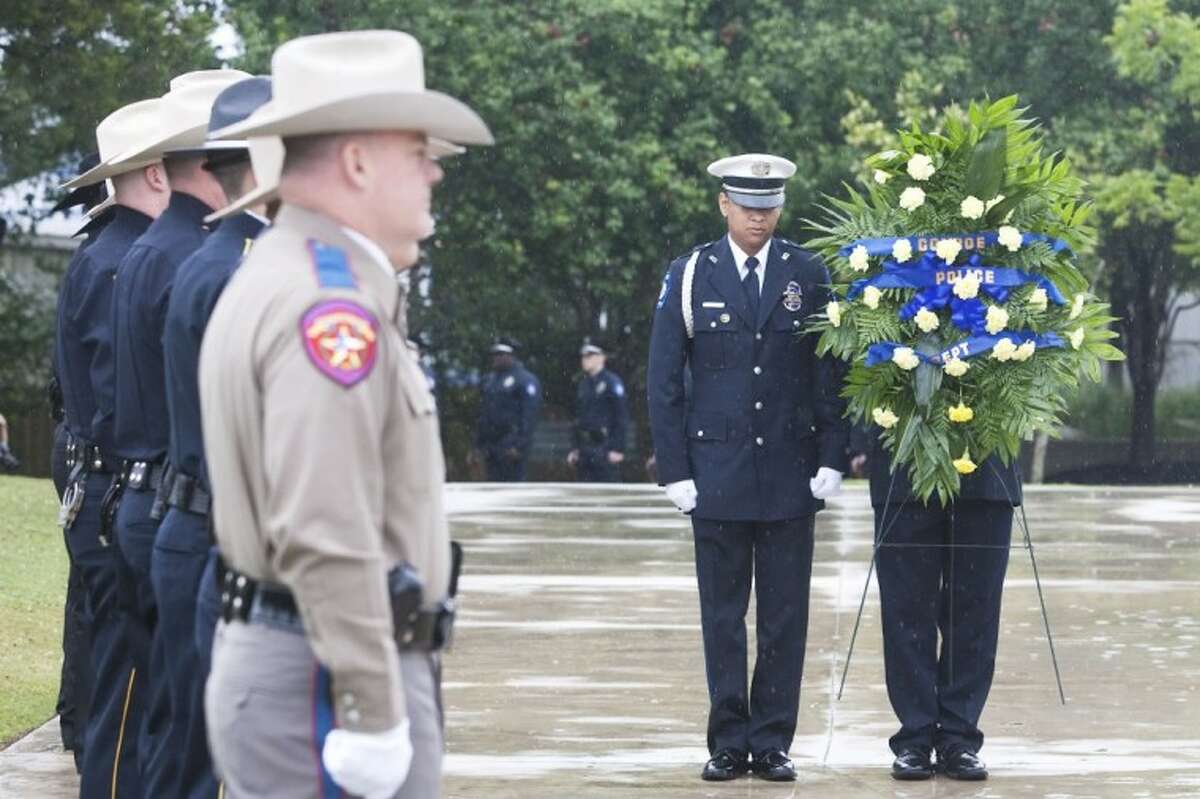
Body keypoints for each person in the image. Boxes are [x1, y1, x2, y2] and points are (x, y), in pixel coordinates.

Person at [198, 30, 491, 798]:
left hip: (309, 661)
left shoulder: (298, 271)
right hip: (322, 683)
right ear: (358, 162)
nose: (433, 170)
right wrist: (371, 709)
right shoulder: (328, 305)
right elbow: (324, 527)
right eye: (417, 151)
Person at [647, 153, 849, 782]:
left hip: (790, 470)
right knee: (723, 617)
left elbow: (830, 372)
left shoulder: (808, 273)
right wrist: (675, 470)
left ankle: (772, 741)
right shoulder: (690, 275)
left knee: (786, 616)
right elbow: (662, 381)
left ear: (780, 208)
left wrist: (834, 457)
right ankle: (728, 740)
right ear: (724, 205)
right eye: (747, 205)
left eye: (769, 207)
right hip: (717, 472)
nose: (759, 217)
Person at [105, 69, 250, 796]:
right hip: (184, 499)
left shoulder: (152, 247)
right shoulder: (203, 256)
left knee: (163, 727)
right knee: (188, 741)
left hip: (149, 496)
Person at [152, 75, 274, 799]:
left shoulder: (209, 260)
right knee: (205, 759)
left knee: (186, 749)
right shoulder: (244, 271)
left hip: (187, 517)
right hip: (214, 528)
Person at [53, 96, 173, 799]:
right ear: (157, 174)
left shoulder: (105, 252)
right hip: (116, 488)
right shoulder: (125, 261)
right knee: (125, 704)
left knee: (124, 686)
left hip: (101, 488)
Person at [848, 427, 1019, 781]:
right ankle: (915, 735)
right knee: (905, 611)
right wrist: (858, 441)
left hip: (985, 469)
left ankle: (960, 736)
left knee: (975, 610)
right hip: (904, 462)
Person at [49, 150, 112, 772]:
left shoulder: (92, 255)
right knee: (98, 598)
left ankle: (77, 715)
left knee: (86, 596)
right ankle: (83, 720)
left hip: (72, 437)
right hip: (87, 442)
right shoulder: (106, 261)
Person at [473, 340, 542, 481]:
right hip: (492, 446)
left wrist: (519, 445)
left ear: (511, 356)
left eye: (500, 354)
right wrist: (478, 445)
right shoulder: (490, 380)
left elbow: (528, 416)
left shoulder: (524, 379)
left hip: (511, 443)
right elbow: (483, 415)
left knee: (513, 490)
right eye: (494, 354)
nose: (495, 358)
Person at [567, 339, 628, 482]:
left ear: (602, 357)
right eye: (583, 356)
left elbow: (620, 416)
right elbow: (578, 419)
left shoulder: (612, 382)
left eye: (589, 356)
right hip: (585, 448)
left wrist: (617, 448)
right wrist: (574, 447)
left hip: (604, 447)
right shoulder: (583, 384)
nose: (585, 359)